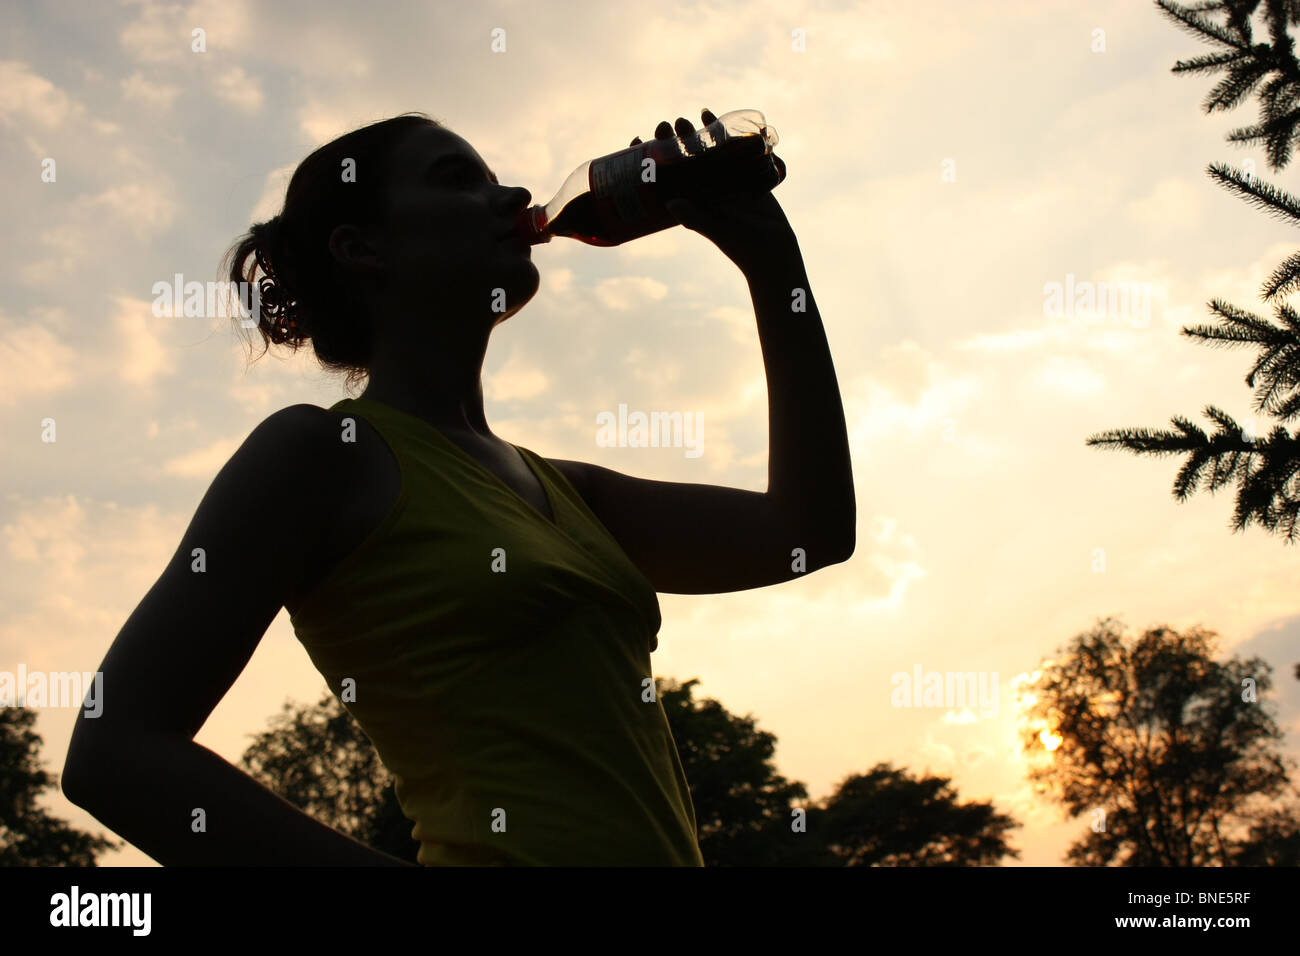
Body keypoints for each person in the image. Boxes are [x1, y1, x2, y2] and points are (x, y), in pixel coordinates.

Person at [61, 110, 855, 865]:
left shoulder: (569, 491)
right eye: (455, 179)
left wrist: (773, 266)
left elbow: (808, 533)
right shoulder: (323, 454)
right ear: (362, 247)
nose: (511, 197)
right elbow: (116, 753)